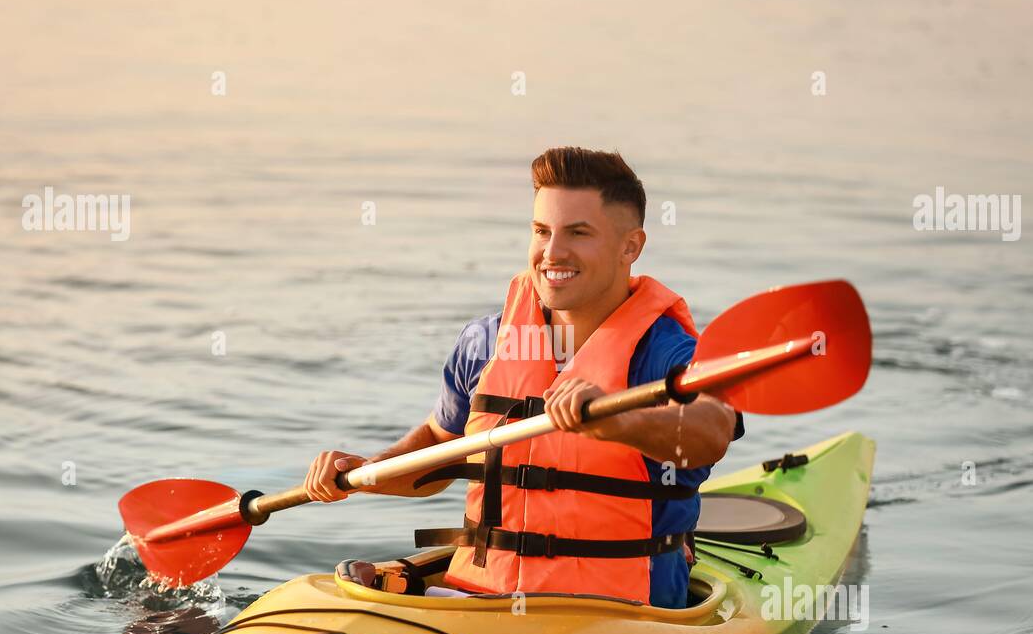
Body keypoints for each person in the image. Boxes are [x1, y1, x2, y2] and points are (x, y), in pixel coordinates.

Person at [303, 147, 742, 607]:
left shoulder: (667, 353)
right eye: (541, 231)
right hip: (478, 597)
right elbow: (442, 446)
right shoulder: (485, 342)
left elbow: (709, 433)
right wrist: (366, 472)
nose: (552, 252)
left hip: (622, 612)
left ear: (630, 246)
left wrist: (617, 423)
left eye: (578, 233)